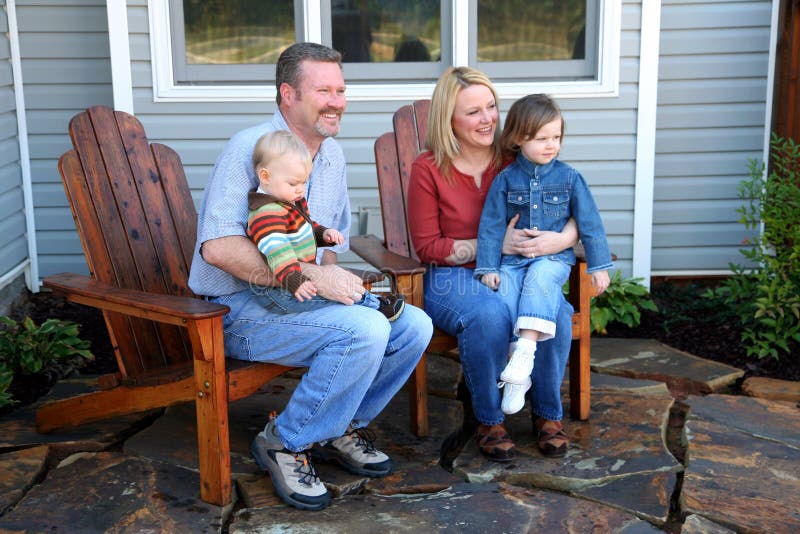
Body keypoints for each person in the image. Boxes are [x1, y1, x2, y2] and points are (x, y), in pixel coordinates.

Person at [188, 42, 433, 511]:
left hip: (296, 301)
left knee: (414, 326)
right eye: (324, 91)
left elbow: (328, 248)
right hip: (232, 312)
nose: (337, 102)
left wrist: (331, 285)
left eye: (341, 90)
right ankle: (285, 441)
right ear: (288, 95)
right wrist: (315, 278)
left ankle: (339, 426)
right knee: (364, 329)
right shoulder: (250, 149)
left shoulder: (332, 155)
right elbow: (218, 248)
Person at [407, 66, 579, 461]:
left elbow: (573, 204)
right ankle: (489, 419)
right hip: (452, 277)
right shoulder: (428, 169)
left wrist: (564, 239)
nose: (487, 119)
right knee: (488, 314)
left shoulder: (518, 159)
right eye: (473, 112)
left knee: (556, 309)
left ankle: (547, 414)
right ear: (448, 119)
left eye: (491, 107)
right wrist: (491, 245)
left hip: (518, 270)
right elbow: (429, 247)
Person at [475, 94, 613, 415]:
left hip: (553, 260)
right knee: (504, 296)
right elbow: (491, 226)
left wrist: (599, 266)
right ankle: (517, 377)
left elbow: (590, 222)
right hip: (512, 262)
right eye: (541, 139)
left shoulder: (570, 178)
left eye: (556, 137)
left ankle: (525, 349)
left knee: (540, 277)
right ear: (519, 139)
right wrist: (488, 267)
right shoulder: (505, 180)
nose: (551, 145)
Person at [247, 129, 405, 321]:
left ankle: (376, 303)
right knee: (336, 297)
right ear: (265, 177)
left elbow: (303, 229)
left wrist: (323, 234)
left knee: (339, 287)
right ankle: (377, 306)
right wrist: (294, 280)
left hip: (296, 282)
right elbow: (277, 252)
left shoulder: (287, 203)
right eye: (293, 183)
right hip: (280, 291)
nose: (300, 190)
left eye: (304, 182)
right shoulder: (267, 213)